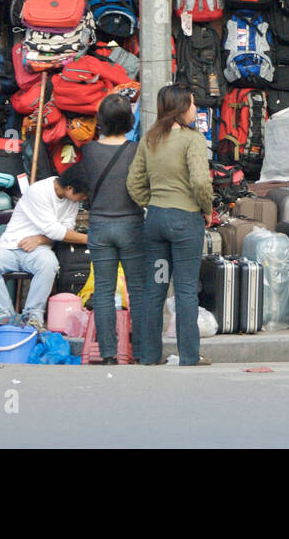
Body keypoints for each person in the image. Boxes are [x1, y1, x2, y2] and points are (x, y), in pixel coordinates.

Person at [126, 83, 215, 366]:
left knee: (156, 287)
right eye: (192, 104)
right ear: (180, 108)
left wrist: (151, 202)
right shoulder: (192, 140)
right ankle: (189, 355)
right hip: (185, 223)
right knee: (187, 290)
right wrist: (207, 209)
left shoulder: (149, 139)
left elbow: (133, 183)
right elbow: (201, 181)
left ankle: (149, 355)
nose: (195, 109)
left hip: (156, 223)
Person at [0, 166, 90, 330]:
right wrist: (88, 239)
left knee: (48, 264)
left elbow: (66, 229)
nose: (84, 198)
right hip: (11, 246)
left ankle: (32, 317)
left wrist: (39, 239)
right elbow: (56, 231)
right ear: (70, 188)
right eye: (83, 194)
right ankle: (6, 317)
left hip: (39, 249)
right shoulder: (38, 191)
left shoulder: (71, 200)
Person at [79, 93, 146, 366]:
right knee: (138, 290)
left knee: (104, 291)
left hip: (99, 226)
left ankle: (108, 353)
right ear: (129, 120)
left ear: (101, 121)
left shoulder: (89, 151)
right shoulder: (136, 150)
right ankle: (141, 352)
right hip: (131, 224)